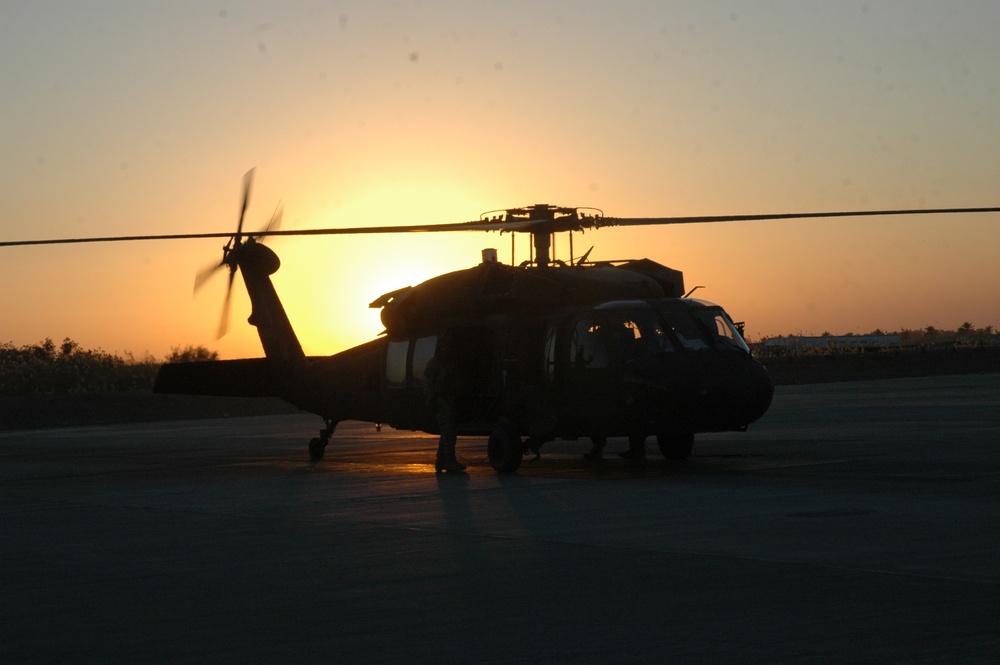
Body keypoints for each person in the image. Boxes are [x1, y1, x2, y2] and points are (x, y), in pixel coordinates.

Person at [424, 340, 467, 473]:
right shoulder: (435, 364)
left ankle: (441, 461)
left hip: (448, 400)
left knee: (447, 432)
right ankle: (449, 461)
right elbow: (428, 384)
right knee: (449, 432)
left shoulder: (447, 363)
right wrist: (431, 400)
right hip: (441, 400)